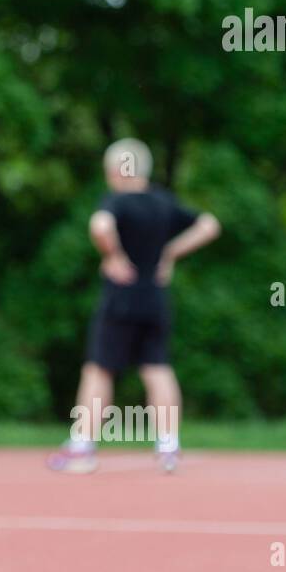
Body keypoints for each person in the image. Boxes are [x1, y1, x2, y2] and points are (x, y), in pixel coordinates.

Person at [49, 138, 220, 474]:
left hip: (121, 297)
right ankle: (168, 445)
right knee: (157, 367)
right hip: (155, 296)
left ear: (115, 171)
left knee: (99, 368)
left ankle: (82, 445)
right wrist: (170, 253)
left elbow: (99, 226)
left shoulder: (117, 201)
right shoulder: (163, 201)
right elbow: (209, 225)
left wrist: (113, 255)